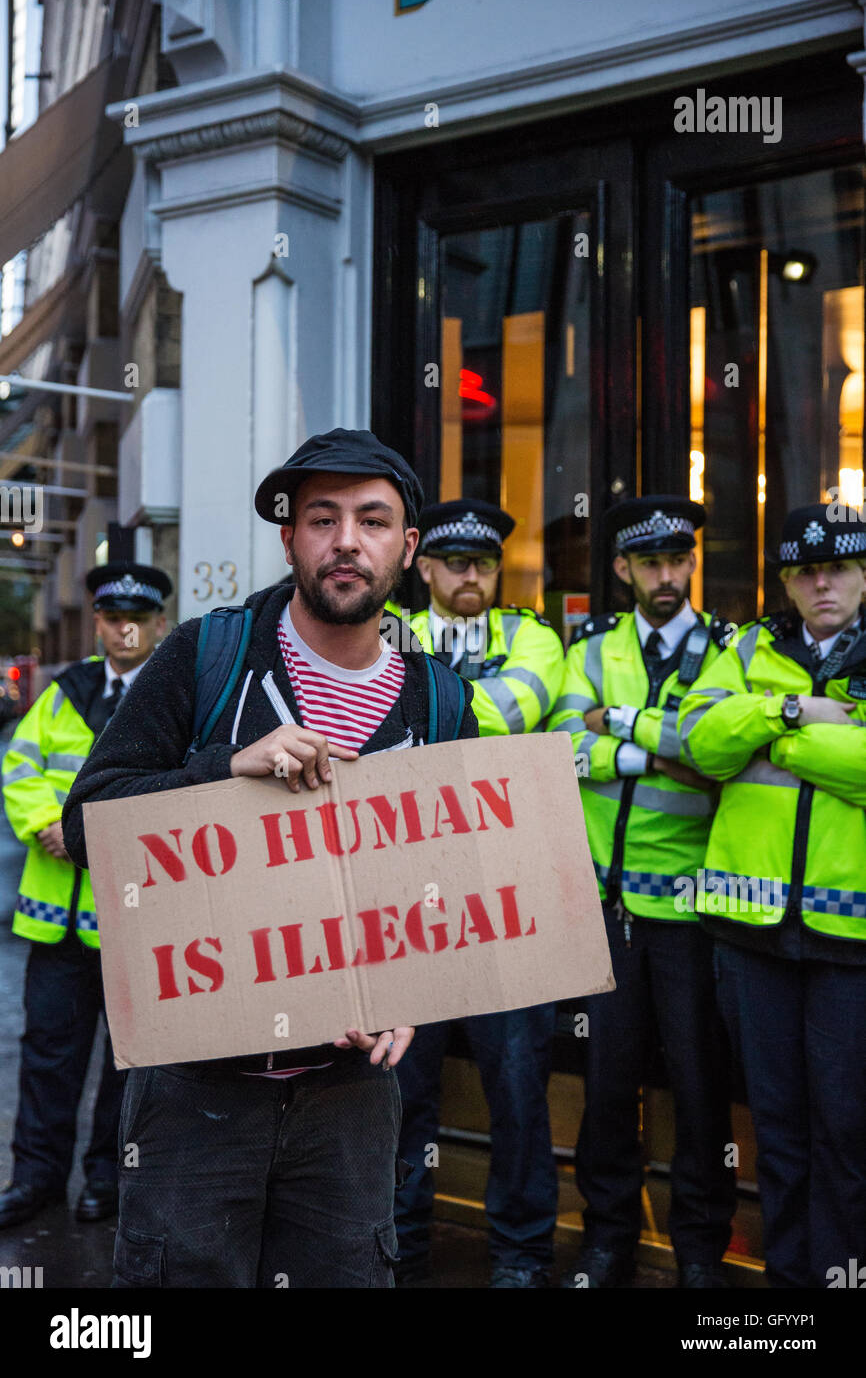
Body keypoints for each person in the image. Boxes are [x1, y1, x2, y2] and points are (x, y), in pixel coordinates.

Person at [61, 429, 479, 1289]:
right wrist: (222, 770)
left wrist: (415, 988)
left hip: (351, 1102)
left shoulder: (440, 699)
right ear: (290, 539)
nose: (345, 542)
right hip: (193, 1093)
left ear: (407, 548)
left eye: (371, 520)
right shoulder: (207, 656)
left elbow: (452, 882)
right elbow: (89, 820)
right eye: (321, 520)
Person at [547, 495, 736, 1289]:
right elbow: (557, 747)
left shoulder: (728, 653)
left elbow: (712, 761)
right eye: (651, 561)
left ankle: (699, 1253)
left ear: (692, 564)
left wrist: (616, 729)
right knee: (608, 1088)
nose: (668, 574)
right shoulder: (589, 649)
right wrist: (643, 752)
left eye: (680, 558)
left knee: (699, 1092)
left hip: (693, 911)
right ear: (623, 569)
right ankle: (607, 1239)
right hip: (609, 908)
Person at [677, 502, 866, 1290]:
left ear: (862, 575)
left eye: (839, 569)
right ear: (787, 580)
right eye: (805, 571)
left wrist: (774, 738)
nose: (822, 583)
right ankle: (790, 1287)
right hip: (749, 929)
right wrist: (793, 709)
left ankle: (842, 1277)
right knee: (778, 1130)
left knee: (847, 1131)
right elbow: (698, 740)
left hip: (849, 940)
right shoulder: (750, 645)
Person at [392, 498, 564, 1289]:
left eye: (485, 563)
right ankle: (396, 1244)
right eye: (455, 562)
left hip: (507, 898)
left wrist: (426, 707)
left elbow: (512, 714)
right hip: (407, 903)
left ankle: (522, 1256)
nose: (471, 575)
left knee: (520, 1091)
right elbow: (372, 735)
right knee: (396, 1093)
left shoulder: (532, 636)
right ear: (422, 566)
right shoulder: (386, 630)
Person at [0, 562, 171, 1228]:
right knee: (48, 1059)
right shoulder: (65, 691)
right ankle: (36, 1180)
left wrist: (88, 833)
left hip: (130, 924)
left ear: (159, 624)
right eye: (111, 616)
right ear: (98, 620)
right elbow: (18, 762)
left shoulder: (169, 692)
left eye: (137, 617)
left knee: (127, 1070)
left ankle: (107, 1180)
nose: (122, 628)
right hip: (56, 926)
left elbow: (173, 789)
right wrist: (45, 822)